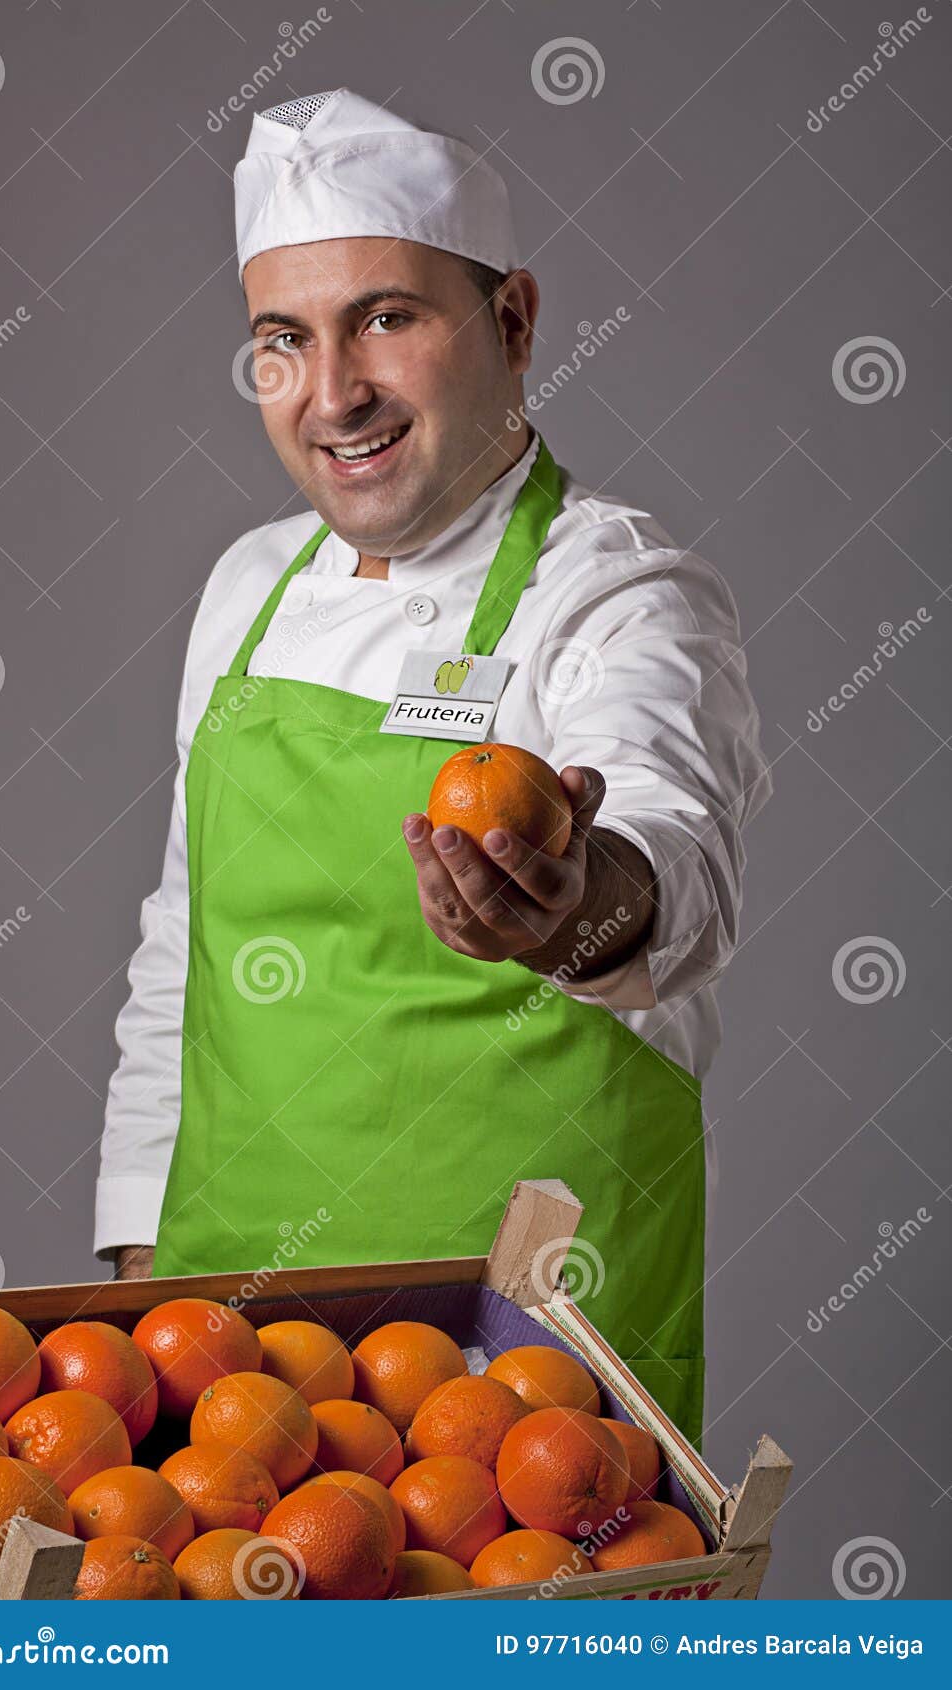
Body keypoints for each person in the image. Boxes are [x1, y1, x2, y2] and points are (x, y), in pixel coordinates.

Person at [93, 88, 772, 1446]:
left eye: (387, 319)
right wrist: (135, 1270)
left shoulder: (624, 595)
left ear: (512, 323)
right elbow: (185, 950)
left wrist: (575, 905)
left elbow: (671, 865)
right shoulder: (246, 590)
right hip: (234, 1347)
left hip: (522, 1386)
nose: (334, 394)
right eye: (282, 342)